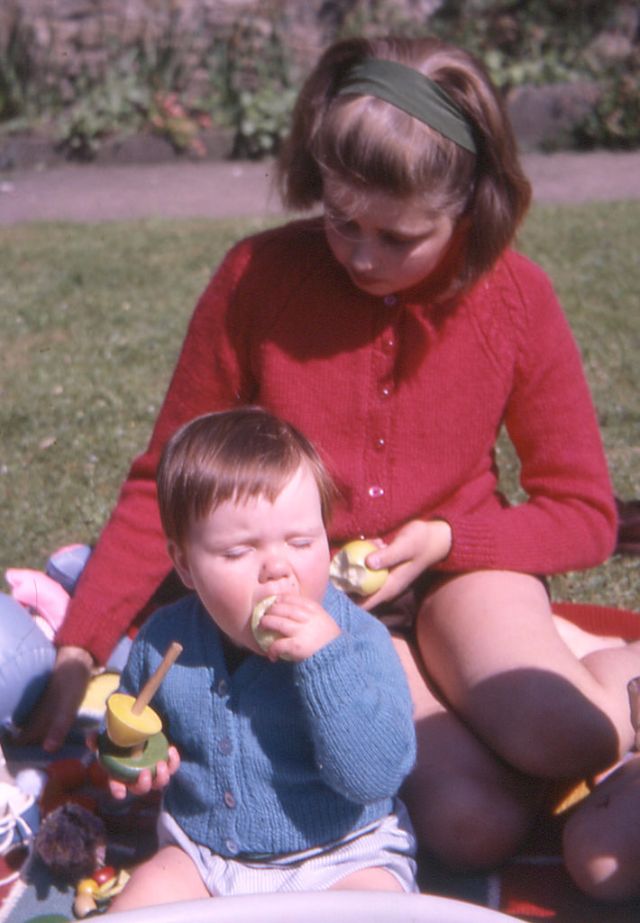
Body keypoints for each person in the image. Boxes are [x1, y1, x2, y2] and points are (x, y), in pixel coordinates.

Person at [19, 34, 640, 871]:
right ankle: (489, 698)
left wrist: (447, 540)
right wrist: (80, 645)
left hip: (462, 574)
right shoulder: (259, 277)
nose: (361, 255)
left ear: (470, 204)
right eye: (343, 221)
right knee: (469, 825)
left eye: (400, 235)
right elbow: (163, 478)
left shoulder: (515, 298)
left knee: (569, 736)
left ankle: (606, 668)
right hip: (322, 597)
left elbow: (586, 514)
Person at [103, 407, 417, 911]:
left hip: (342, 854)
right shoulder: (164, 642)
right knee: (136, 908)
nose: (277, 568)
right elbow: (133, 724)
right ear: (185, 564)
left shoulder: (358, 642)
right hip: (205, 856)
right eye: (237, 552)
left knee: (374, 909)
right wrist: (133, 761)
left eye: (301, 542)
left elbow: (374, 777)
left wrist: (324, 661)